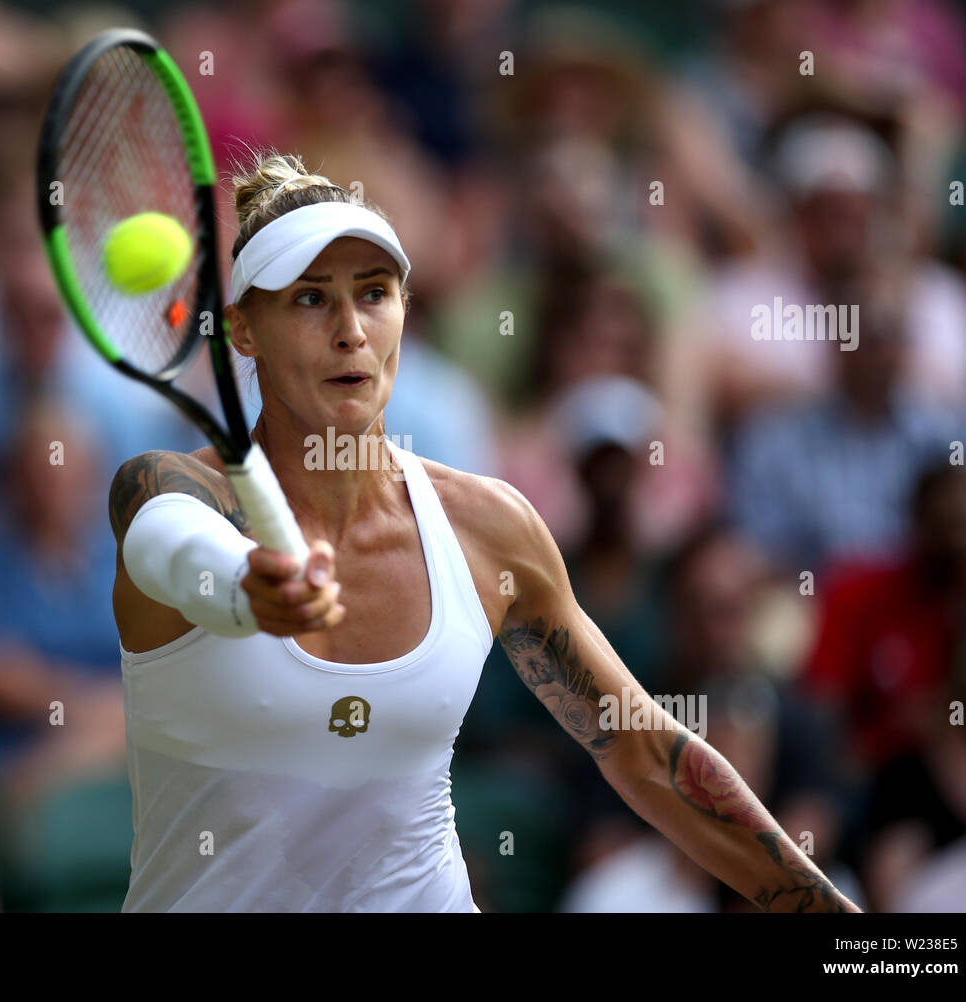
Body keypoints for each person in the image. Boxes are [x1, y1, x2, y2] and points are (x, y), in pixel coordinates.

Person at [108, 151, 861, 913]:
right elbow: (169, 549)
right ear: (242, 330)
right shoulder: (168, 490)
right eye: (309, 300)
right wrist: (246, 591)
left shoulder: (490, 529)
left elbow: (646, 752)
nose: (349, 332)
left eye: (374, 295)